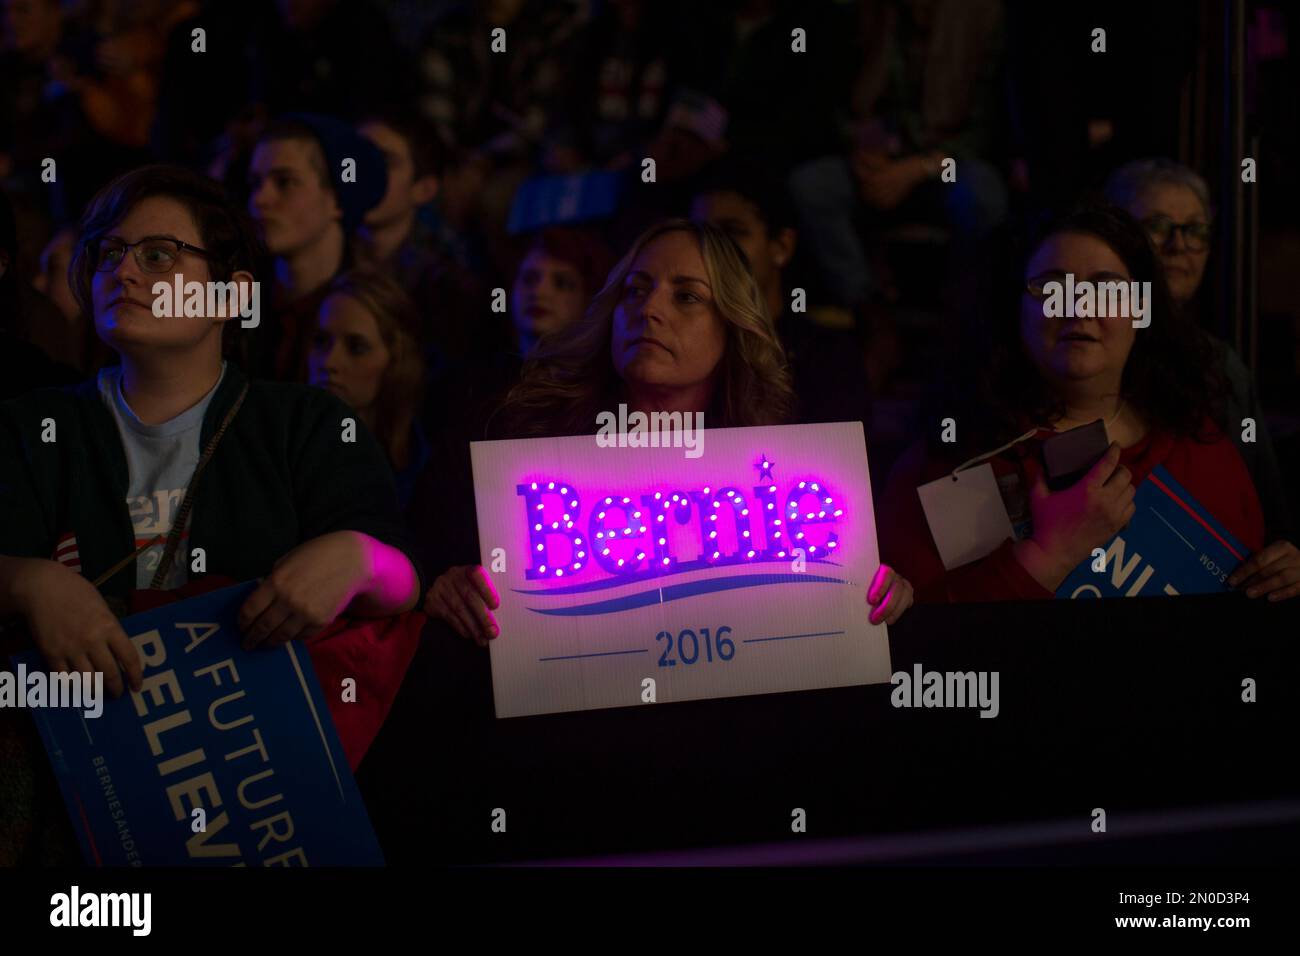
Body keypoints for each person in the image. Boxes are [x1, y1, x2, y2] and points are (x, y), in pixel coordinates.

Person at [0, 166, 425, 785]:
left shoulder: (302, 424)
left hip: (260, 777)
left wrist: (359, 556)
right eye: (107, 253)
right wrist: (29, 583)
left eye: (157, 255)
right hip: (77, 776)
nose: (122, 271)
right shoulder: (32, 426)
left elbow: (407, 579)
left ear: (230, 296)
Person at [423, 218, 914, 641]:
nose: (650, 309)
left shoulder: (788, 472)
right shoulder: (517, 439)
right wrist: (442, 586)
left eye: (686, 296)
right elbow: (427, 556)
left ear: (732, 325)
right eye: (635, 290)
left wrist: (886, 593)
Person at [879, 203, 1300, 603]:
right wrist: (1049, 556)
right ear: (1013, 310)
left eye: (1107, 288)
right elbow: (918, 642)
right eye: (1050, 287)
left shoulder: (1201, 445)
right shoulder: (952, 459)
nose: (1079, 307)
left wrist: (1283, 582)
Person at [1103, 158, 1292, 540]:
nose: (1179, 245)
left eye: (1195, 230)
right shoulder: (1085, 349)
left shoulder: (1220, 364)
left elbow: (1270, 512)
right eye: (1156, 227)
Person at [690, 159, 872, 427]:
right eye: (702, 236)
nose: (713, 252)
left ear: (782, 246)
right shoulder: (681, 349)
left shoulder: (827, 359)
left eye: (732, 233)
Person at [245, 113, 387, 380]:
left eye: (285, 182)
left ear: (336, 199)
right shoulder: (235, 301)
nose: (260, 199)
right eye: (255, 183)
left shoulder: (371, 312)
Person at [306, 268, 429, 511]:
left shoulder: (421, 466)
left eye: (356, 347)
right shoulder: (278, 445)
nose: (329, 362)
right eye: (321, 341)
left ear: (396, 361)